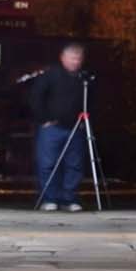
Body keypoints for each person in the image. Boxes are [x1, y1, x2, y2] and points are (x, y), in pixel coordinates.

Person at [27, 42, 93, 212]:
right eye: (72, 58)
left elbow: (92, 101)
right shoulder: (50, 75)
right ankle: (50, 198)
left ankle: (69, 198)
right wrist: (44, 119)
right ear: (63, 58)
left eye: (78, 59)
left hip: (75, 127)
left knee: (74, 164)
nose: (75, 62)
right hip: (52, 127)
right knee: (47, 163)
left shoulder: (83, 78)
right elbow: (35, 97)